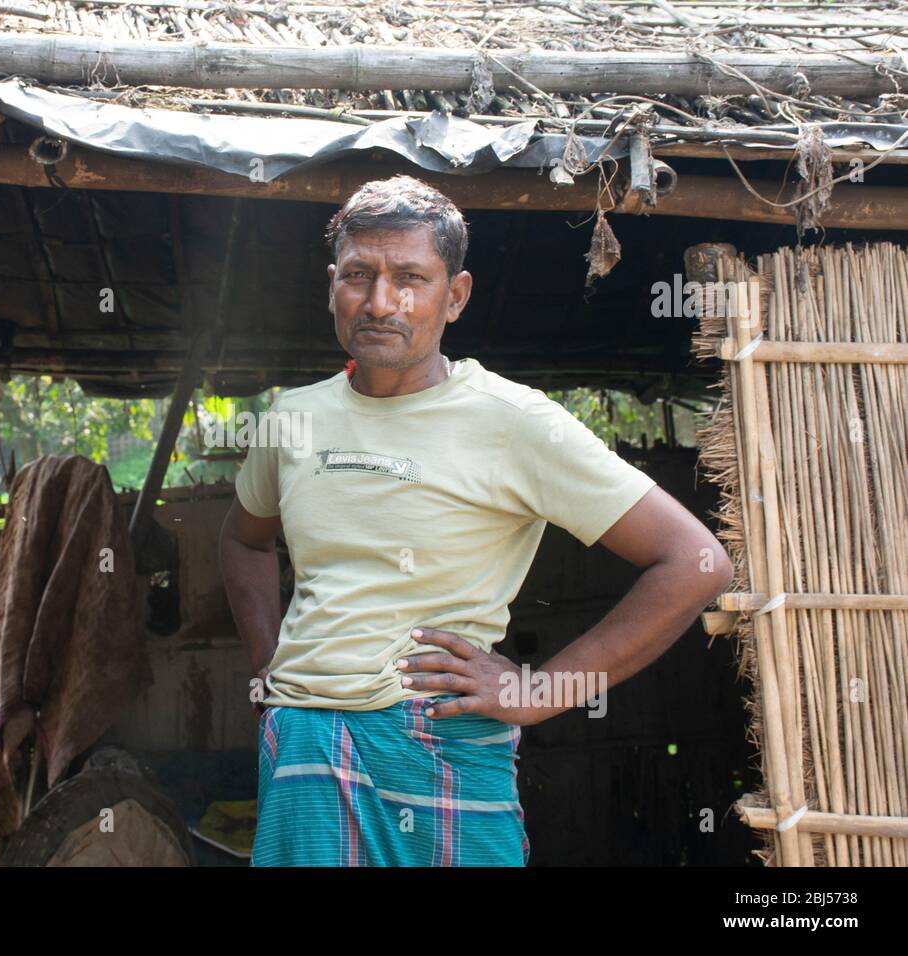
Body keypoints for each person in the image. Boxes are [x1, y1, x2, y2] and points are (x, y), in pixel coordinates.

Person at [217, 173, 733, 867]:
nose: (380, 302)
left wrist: (540, 692)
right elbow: (243, 540)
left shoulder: (512, 422)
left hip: (441, 740)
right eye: (358, 275)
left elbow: (695, 562)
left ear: (454, 295)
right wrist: (266, 660)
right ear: (331, 283)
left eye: (410, 278)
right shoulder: (291, 418)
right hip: (304, 740)